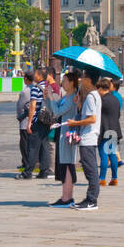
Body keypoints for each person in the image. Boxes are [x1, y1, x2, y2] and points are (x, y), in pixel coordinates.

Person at [63, 70, 103, 211]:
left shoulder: (92, 96)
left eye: (84, 77)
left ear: (88, 80)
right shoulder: (93, 96)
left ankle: (92, 200)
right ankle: (90, 198)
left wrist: (74, 123)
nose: (81, 79)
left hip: (88, 138)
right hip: (88, 137)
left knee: (90, 170)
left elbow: (92, 119)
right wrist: (79, 104)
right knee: (88, 169)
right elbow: (88, 115)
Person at [48, 70, 81, 207]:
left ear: (72, 82)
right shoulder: (66, 97)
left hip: (68, 135)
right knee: (64, 164)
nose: (63, 83)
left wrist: (50, 97)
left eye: (65, 80)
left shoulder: (73, 97)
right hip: (62, 133)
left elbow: (57, 112)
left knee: (67, 164)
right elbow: (54, 108)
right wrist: (48, 97)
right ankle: (65, 196)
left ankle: (67, 198)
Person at [16, 68, 47, 179]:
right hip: (46, 119)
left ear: (39, 75)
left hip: (37, 120)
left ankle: (27, 172)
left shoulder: (35, 88)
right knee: (44, 146)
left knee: (32, 147)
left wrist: (29, 122)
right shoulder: (47, 87)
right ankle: (44, 171)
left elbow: (32, 106)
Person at [97, 77, 122, 187]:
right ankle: (114, 178)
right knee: (112, 155)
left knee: (103, 156)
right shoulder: (115, 99)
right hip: (114, 129)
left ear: (102, 88)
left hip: (104, 130)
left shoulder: (102, 100)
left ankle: (102, 178)